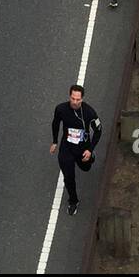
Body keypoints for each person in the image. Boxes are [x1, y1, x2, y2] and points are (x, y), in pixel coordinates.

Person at [50, 85, 102, 216]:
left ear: (82, 99)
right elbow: (55, 123)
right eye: (72, 98)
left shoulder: (90, 112)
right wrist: (55, 141)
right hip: (67, 146)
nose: (75, 102)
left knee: (86, 167)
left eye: (78, 99)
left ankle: (92, 157)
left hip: (83, 147)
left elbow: (98, 130)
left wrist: (90, 150)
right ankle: (73, 200)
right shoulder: (60, 109)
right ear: (69, 97)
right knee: (68, 176)